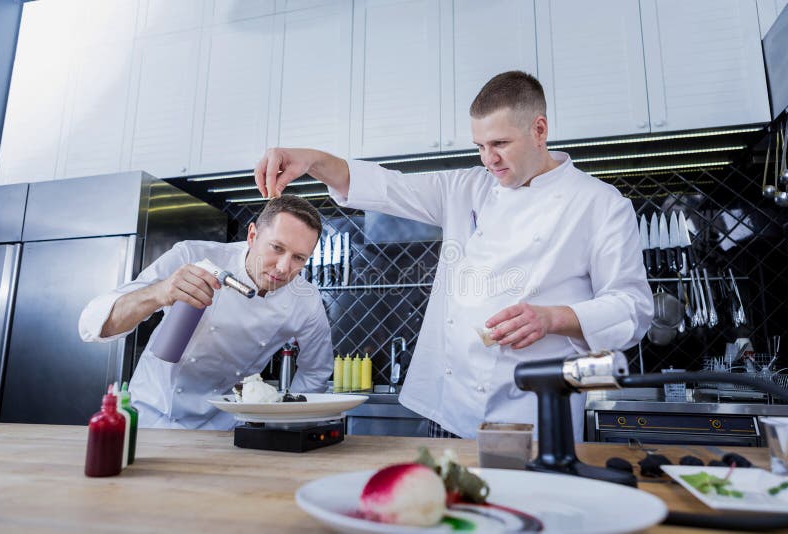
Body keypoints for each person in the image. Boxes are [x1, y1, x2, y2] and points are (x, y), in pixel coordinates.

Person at [254, 71, 654, 440]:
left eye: (499, 144)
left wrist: (553, 318)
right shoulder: (467, 188)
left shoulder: (600, 204)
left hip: (532, 419)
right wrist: (312, 160)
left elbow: (633, 309)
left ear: (539, 129)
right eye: (480, 146)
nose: (488, 159)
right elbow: (388, 188)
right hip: (448, 413)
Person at [79, 195, 333, 430]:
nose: (283, 267)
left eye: (299, 258)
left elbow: (316, 370)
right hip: (151, 415)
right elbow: (92, 325)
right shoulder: (193, 255)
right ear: (253, 235)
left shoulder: (307, 300)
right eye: (276, 247)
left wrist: (285, 422)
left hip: (224, 427)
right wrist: (160, 292)